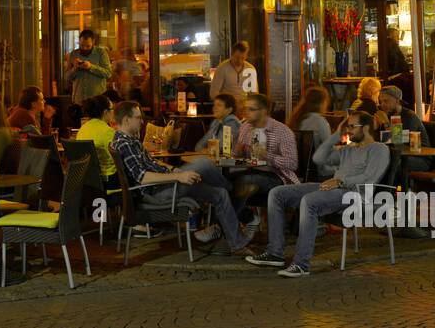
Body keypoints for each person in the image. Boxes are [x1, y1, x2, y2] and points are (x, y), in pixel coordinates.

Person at [245, 110, 391, 277]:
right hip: (334, 189)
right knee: (277, 193)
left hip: (355, 195)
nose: (348, 130)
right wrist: (337, 133)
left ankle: (301, 264)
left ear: (365, 128)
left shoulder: (379, 149)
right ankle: (275, 253)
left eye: (352, 126)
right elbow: (319, 158)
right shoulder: (349, 149)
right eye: (347, 126)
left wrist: (340, 181)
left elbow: (369, 177)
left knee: (310, 201)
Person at [109, 100, 251, 255]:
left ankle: (236, 244)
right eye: (138, 118)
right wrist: (178, 177)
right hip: (154, 193)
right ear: (126, 120)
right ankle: (235, 192)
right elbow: (143, 177)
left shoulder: (131, 140)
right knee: (203, 163)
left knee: (220, 194)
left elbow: (152, 163)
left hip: (164, 186)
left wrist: (174, 170)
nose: (142, 121)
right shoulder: (124, 143)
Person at [231, 93, 299, 238]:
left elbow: (292, 163)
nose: (246, 112)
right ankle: (249, 218)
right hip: (250, 171)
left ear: (263, 111)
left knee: (243, 182)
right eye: (245, 109)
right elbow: (238, 154)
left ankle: (224, 228)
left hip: (276, 176)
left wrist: (267, 155)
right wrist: (237, 150)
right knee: (222, 181)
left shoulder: (282, 131)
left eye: (251, 109)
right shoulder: (245, 127)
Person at [74, 94, 118, 183]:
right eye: (112, 109)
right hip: (110, 181)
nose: (113, 112)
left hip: (89, 182)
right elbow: (119, 159)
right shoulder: (108, 131)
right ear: (105, 112)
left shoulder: (82, 129)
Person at [65, 29, 112, 105]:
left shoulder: (101, 53)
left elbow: (108, 73)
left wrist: (91, 67)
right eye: (82, 45)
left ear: (93, 42)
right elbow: (67, 77)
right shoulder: (73, 54)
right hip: (79, 99)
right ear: (79, 41)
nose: (84, 48)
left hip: (97, 100)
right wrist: (75, 69)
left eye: (88, 46)